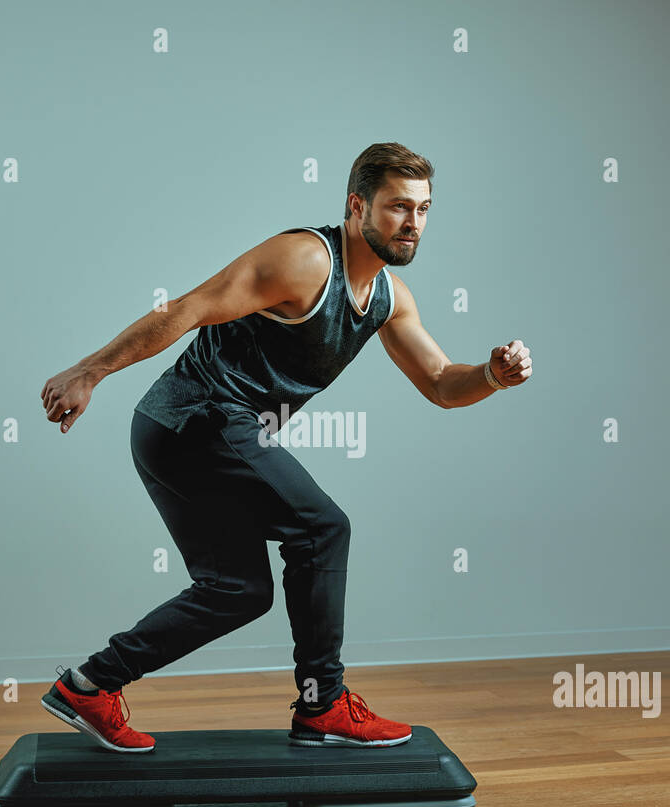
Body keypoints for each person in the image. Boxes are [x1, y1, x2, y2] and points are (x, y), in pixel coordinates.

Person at [38, 143, 531, 753]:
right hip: (196, 419)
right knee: (323, 528)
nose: (413, 224)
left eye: (424, 209)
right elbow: (188, 307)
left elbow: (438, 382)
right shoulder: (303, 261)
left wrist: (489, 375)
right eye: (398, 207)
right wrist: (92, 370)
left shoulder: (387, 298)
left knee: (237, 591)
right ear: (357, 206)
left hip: (186, 435)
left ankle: (89, 684)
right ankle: (324, 703)